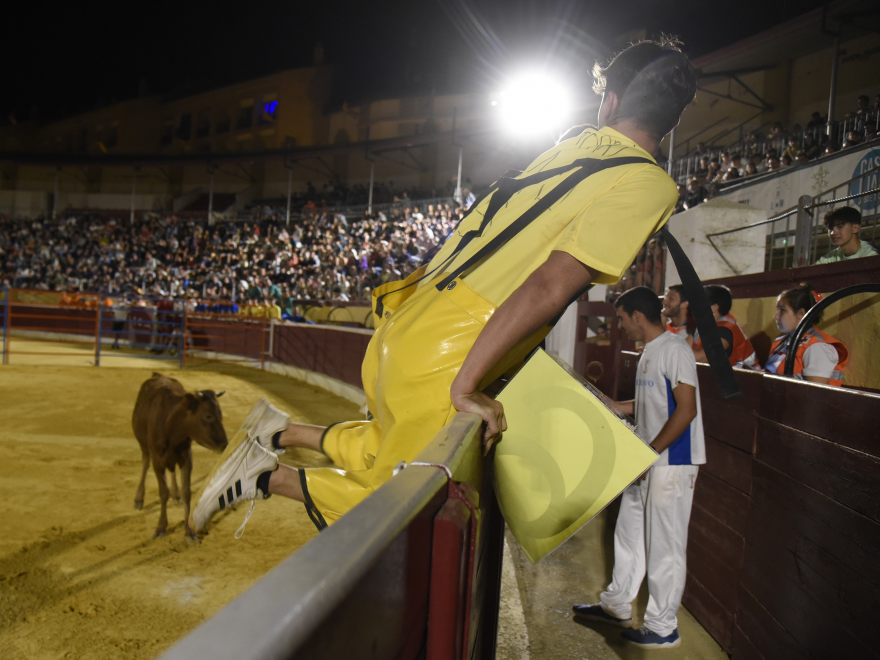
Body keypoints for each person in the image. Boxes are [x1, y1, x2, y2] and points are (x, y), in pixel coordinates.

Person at [192, 37, 698, 562]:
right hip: (455, 346)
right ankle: (265, 475)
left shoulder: (572, 142)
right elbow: (550, 284)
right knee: (396, 501)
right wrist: (466, 382)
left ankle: (281, 430)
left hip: (409, 323)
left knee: (387, 444)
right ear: (673, 119)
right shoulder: (650, 184)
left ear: (610, 101)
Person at [573, 287, 705, 649]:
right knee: (629, 535)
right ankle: (616, 604)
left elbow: (687, 409)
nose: (619, 325)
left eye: (621, 318)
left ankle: (663, 626)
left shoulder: (676, 349)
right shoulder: (651, 352)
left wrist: (651, 453)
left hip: (670, 462)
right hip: (646, 459)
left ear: (637, 316)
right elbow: (654, 402)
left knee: (665, 545)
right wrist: (619, 406)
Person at [765, 284, 848, 386]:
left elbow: (814, 395)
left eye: (782, 310)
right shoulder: (781, 342)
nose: (776, 316)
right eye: (777, 309)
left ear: (801, 313)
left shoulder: (817, 347)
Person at [691, 284, 759, 368]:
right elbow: (684, 346)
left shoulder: (725, 329)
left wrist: (675, 351)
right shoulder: (703, 325)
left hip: (746, 378)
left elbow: (703, 357)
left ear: (714, 308)